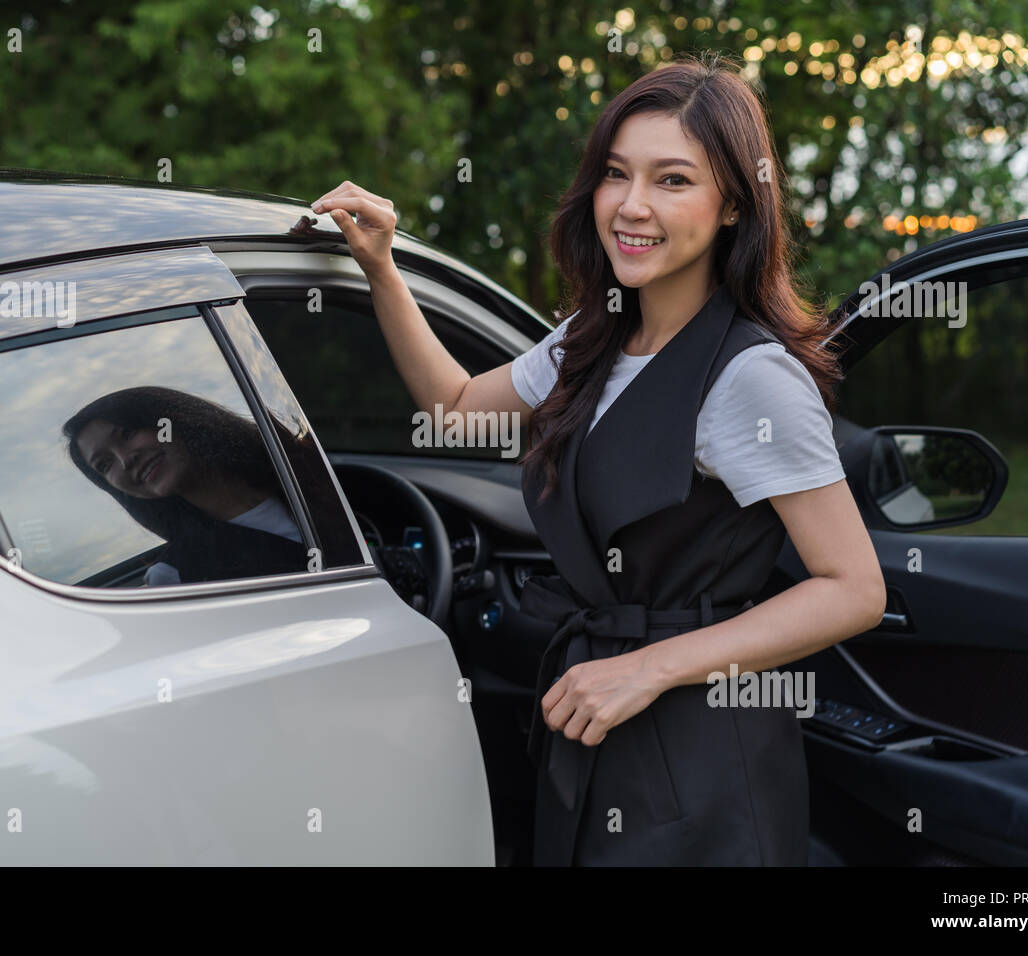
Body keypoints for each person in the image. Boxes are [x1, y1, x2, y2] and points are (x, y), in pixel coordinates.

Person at [309, 51, 886, 866]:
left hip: (702, 755)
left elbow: (854, 590)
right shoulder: (594, 335)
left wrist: (649, 668)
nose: (633, 206)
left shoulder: (751, 378)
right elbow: (458, 409)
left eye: (674, 180)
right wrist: (382, 269)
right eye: (618, 173)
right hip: (591, 717)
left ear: (732, 206)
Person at [63, 386, 308, 585]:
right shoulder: (177, 575)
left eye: (127, 433)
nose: (125, 460)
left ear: (171, 419)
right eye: (105, 465)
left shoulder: (311, 466)